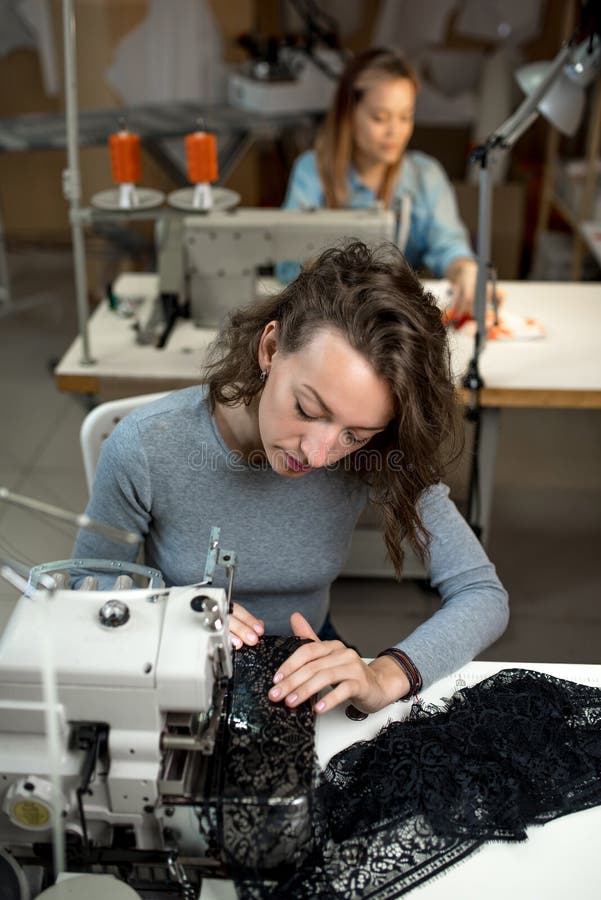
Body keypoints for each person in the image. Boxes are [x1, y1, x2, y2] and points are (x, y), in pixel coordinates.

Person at [73, 241, 508, 716]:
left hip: (305, 660)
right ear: (270, 349)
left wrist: (387, 674)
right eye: (307, 409)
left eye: (353, 435)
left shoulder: (377, 455)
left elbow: (482, 595)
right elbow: (82, 587)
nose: (317, 454)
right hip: (172, 655)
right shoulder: (147, 445)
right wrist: (164, 612)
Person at [278, 47, 478, 318]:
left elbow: (449, 245)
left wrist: (463, 268)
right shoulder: (312, 171)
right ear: (348, 114)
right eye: (379, 118)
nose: (394, 131)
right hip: (328, 314)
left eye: (405, 117)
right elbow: (288, 262)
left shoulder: (426, 176)